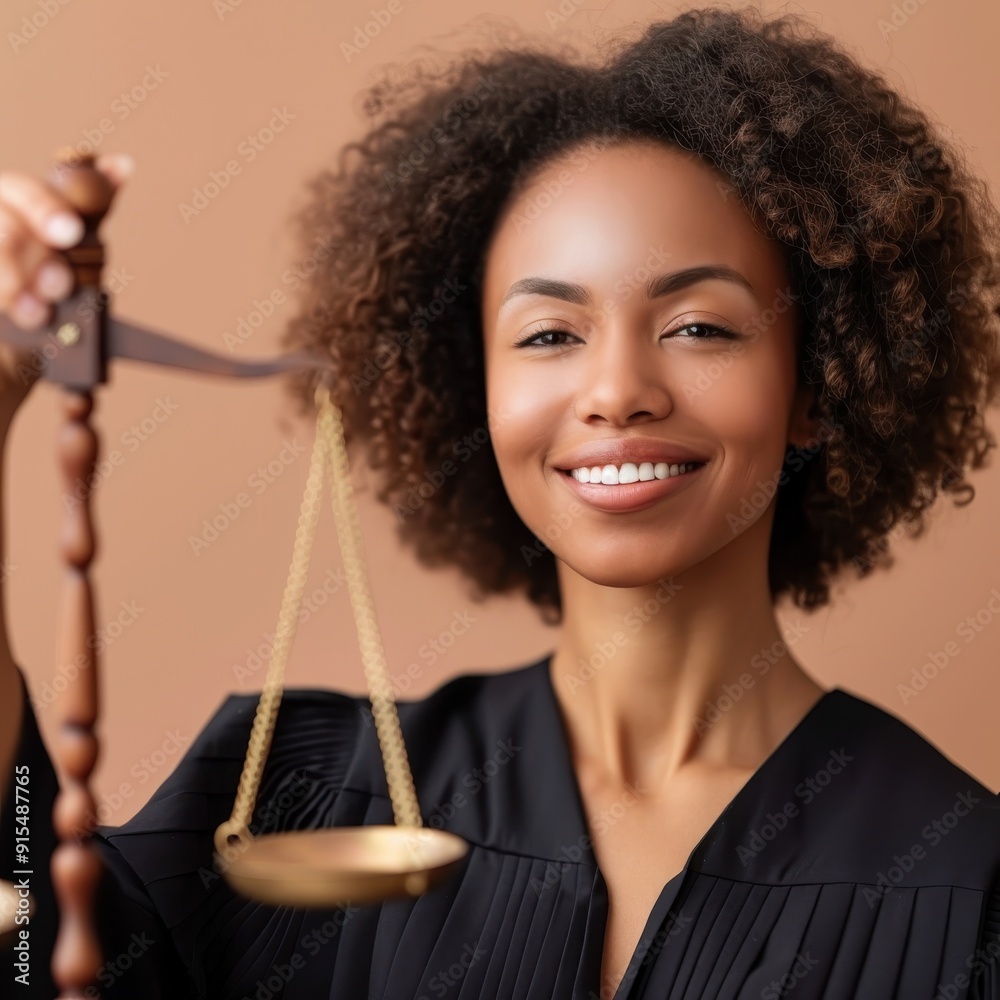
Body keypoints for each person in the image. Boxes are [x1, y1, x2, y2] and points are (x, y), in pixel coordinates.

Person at [2, 6, 1000, 998]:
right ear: (467, 382)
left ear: (814, 388)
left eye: (698, 326)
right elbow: (30, 952)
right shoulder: (300, 803)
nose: (616, 390)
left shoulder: (962, 882)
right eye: (547, 335)